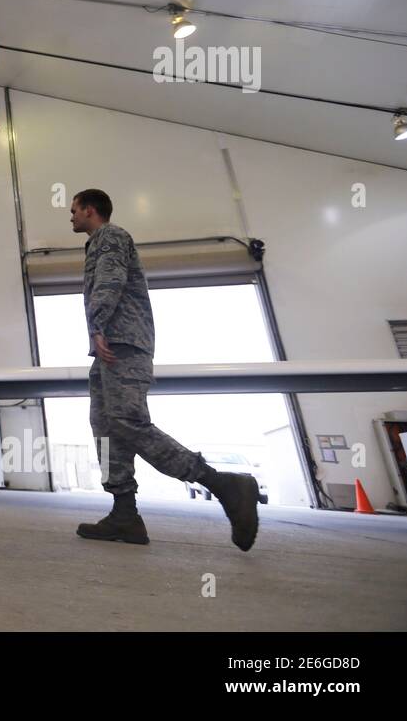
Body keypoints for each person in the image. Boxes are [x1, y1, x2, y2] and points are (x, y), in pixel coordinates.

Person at [69, 188, 260, 551]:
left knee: (127, 421)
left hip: (120, 341)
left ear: (90, 210)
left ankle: (222, 484)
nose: (72, 217)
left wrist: (97, 325)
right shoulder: (99, 241)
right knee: (107, 427)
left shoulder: (110, 236)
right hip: (108, 346)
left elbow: (110, 281)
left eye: (74, 210)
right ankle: (124, 513)